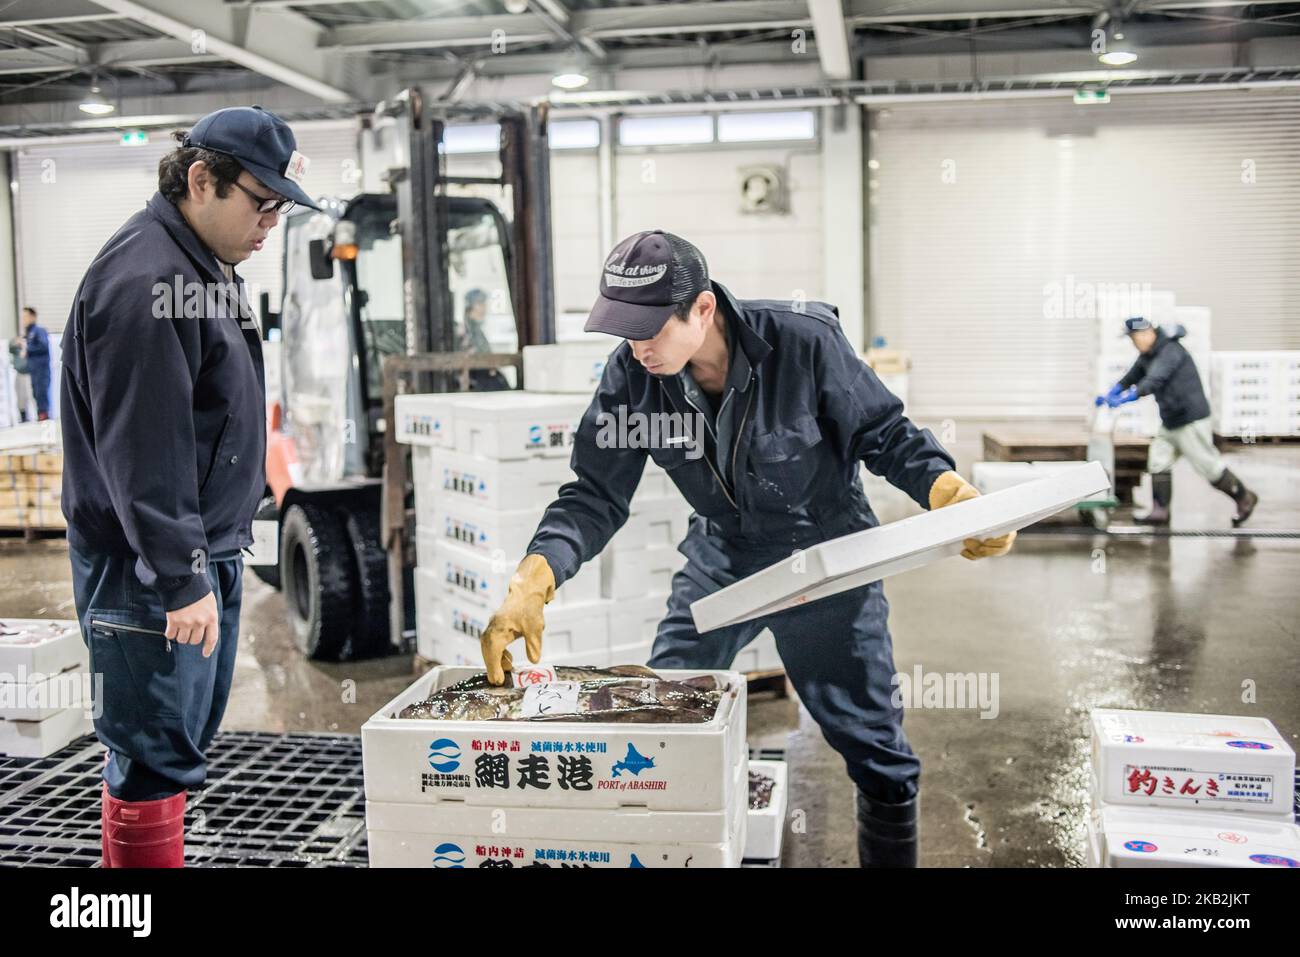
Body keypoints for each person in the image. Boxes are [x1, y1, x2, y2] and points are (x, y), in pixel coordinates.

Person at [478, 230, 1015, 867]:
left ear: (702, 309)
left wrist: (946, 490)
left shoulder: (804, 342)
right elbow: (596, 492)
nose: (638, 346)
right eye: (625, 330)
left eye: (651, 329)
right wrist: (535, 577)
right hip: (723, 555)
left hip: (827, 553)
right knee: (668, 712)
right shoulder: (633, 376)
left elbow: (884, 433)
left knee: (874, 749)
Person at [60, 106, 320, 867]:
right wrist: (178, 576)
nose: (271, 222)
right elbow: (146, 449)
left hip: (197, 556)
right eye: (261, 202)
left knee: (177, 741)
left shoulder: (200, 265)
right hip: (147, 570)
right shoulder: (146, 279)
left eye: (280, 206)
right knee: (150, 749)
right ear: (201, 180)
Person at [1099, 316, 1257, 526]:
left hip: (1189, 420)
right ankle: (1160, 511)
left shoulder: (1170, 351)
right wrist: (1114, 391)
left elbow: (1154, 380)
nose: (1133, 343)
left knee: (1208, 466)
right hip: (1171, 420)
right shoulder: (1148, 354)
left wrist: (1127, 397)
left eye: (1133, 338)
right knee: (1158, 461)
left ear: (1146, 333)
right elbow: (1133, 375)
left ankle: (1244, 497)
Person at [458, 287, 508, 391]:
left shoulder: (476, 330)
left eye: (484, 303)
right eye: (480, 304)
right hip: (478, 378)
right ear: (471, 306)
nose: (484, 308)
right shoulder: (467, 331)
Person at [12, 306, 50, 420]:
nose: (24, 319)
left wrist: (27, 349)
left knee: (41, 393)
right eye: (22, 317)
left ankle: (44, 417)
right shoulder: (28, 334)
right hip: (33, 370)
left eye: (26, 317)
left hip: (41, 369)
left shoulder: (39, 331)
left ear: (33, 317)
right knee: (35, 394)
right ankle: (40, 416)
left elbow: (43, 346)